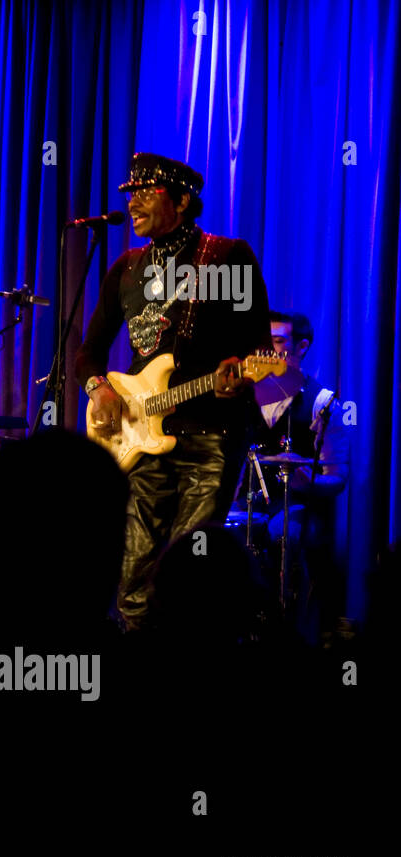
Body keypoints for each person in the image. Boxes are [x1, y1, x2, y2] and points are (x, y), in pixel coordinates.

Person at [76, 153, 273, 630]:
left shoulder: (227, 258)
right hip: (142, 439)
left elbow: (260, 347)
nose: (133, 201)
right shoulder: (126, 267)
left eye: (147, 191)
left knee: (193, 570)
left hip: (211, 437)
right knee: (131, 574)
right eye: (130, 193)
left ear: (182, 201)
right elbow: (89, 352)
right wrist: (98, 387)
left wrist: (239, 376)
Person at [246, 311, 349, 642]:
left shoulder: (322, 403)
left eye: (277, 342)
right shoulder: (246, 395)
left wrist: (310, 482)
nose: (267, 350)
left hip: (296, 504)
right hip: (248, 499)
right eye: (265, 342)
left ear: (301, 347)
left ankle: (284, 632)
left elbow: (338, 477)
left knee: (281, 534)